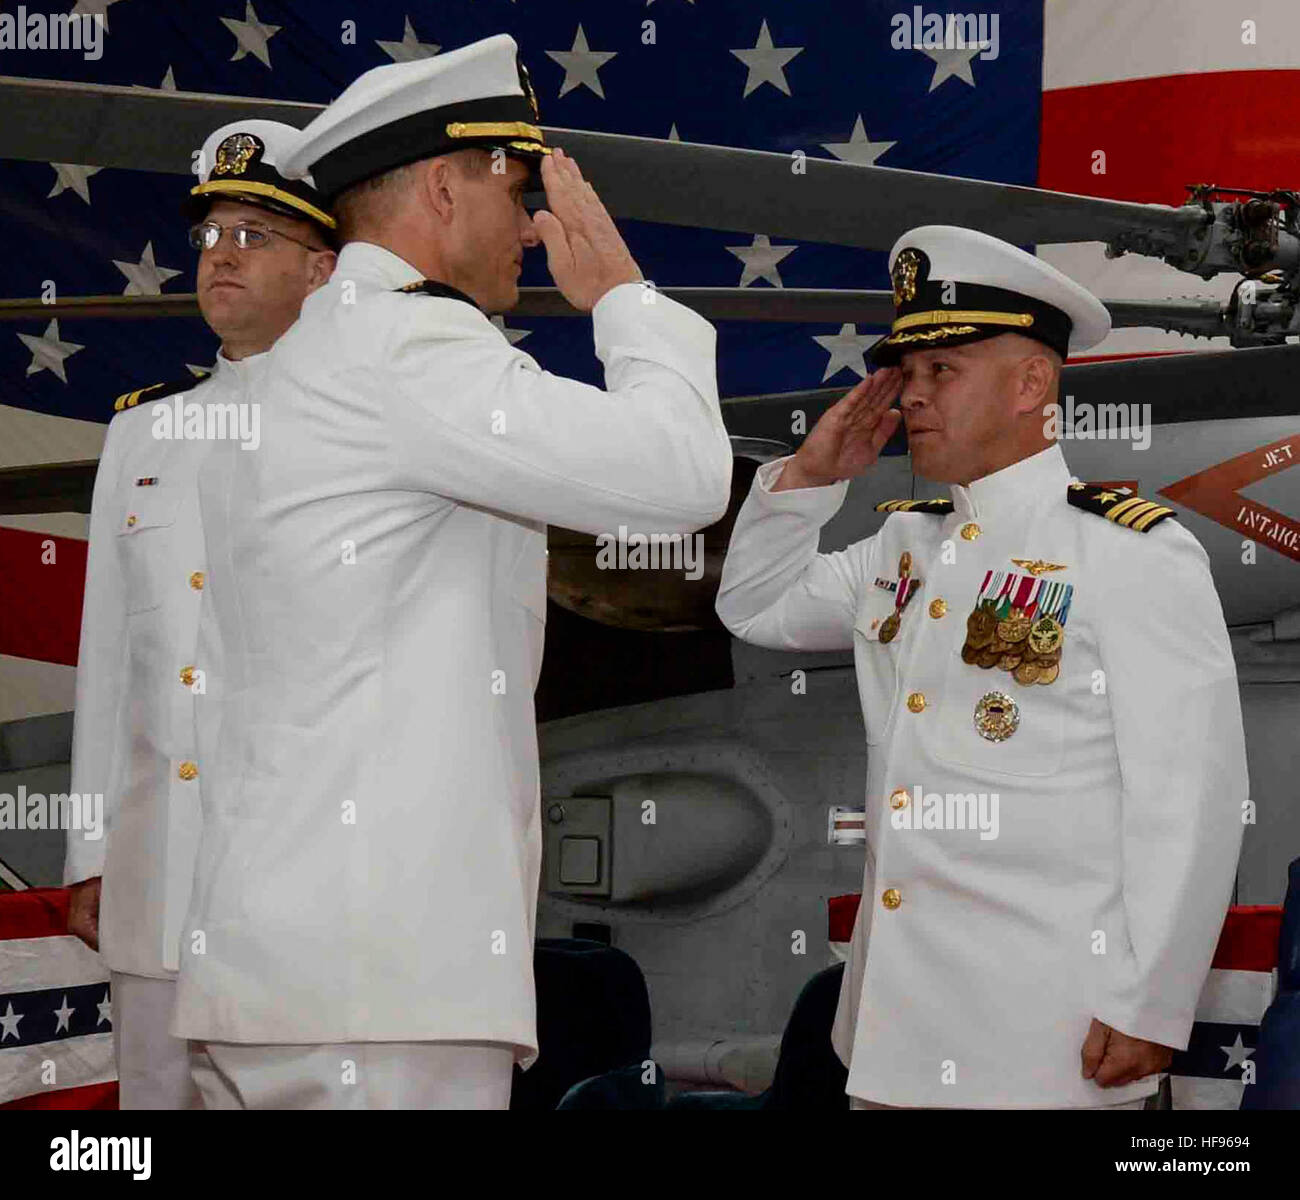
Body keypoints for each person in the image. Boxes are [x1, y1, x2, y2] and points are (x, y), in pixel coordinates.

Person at [172, 33, 732, 1109]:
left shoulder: (293, 372)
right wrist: (625, 300)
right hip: (379, 976)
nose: (530, 222)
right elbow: (682, 477)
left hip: (279, 960)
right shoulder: (407, 354)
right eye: (512, 185)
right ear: (442, 186)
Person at [715, 225, 1246, 1109]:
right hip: (892, 1041)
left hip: (1044, 1044)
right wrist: (809, 477)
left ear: (1032, 382)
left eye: (942, 372)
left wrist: (1150, 1002)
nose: (911, 398)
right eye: (907, 375)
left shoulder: (1130, 554)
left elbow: (1189, 797)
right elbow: (757, 608)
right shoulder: (900, 543)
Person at [63, 119, 336, 1108]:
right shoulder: (144, 429)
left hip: (293, 881)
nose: (222, 255)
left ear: (322, 269)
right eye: (213, 234)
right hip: (153, 870)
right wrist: (90, 848)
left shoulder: (358, 431)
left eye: (255, 236)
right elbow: (109, 657)